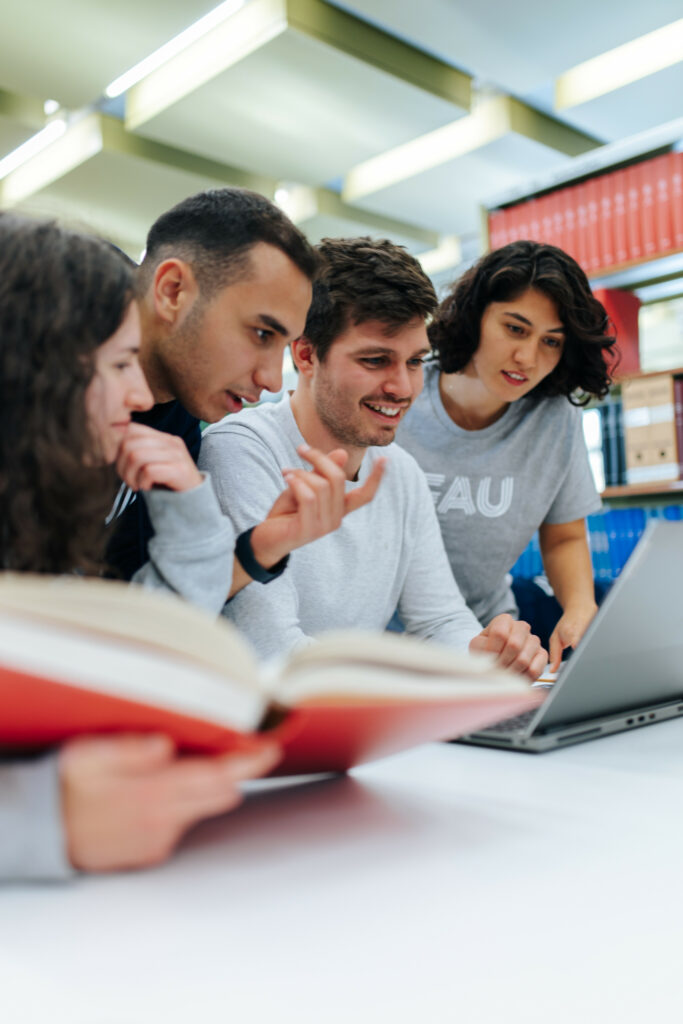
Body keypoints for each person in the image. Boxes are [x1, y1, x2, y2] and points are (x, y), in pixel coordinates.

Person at [0, 214, 280, 881]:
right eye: (120, 364)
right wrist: (44, 821)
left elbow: (142, 649)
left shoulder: (40, 511)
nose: (137, 394)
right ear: (39, 368)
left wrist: (188, 507)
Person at [199, 236, 546, 678]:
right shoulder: (241, 451)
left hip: (358, 717)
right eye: (376, 360)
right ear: (306, 354)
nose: (402, 387)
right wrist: (420, 685)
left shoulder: (400, 473)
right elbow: (272, 650)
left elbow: (439, 621)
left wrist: (483, 658)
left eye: (416, 361)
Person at [107, 187, 383, 607]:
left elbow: (145, 612)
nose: (272, 381)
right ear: (173, 290)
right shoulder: (35, 346)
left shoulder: (179, 425)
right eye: (261, 334)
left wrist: (263, 547)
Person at [395, 240, 616, 671]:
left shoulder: (555, 418)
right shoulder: (399, 396)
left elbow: (565, 536)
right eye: (515, 328)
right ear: (475, 316)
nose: (527, 358)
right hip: (382, 648)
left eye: (551, 341)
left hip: (492, 649)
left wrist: (579, 608)